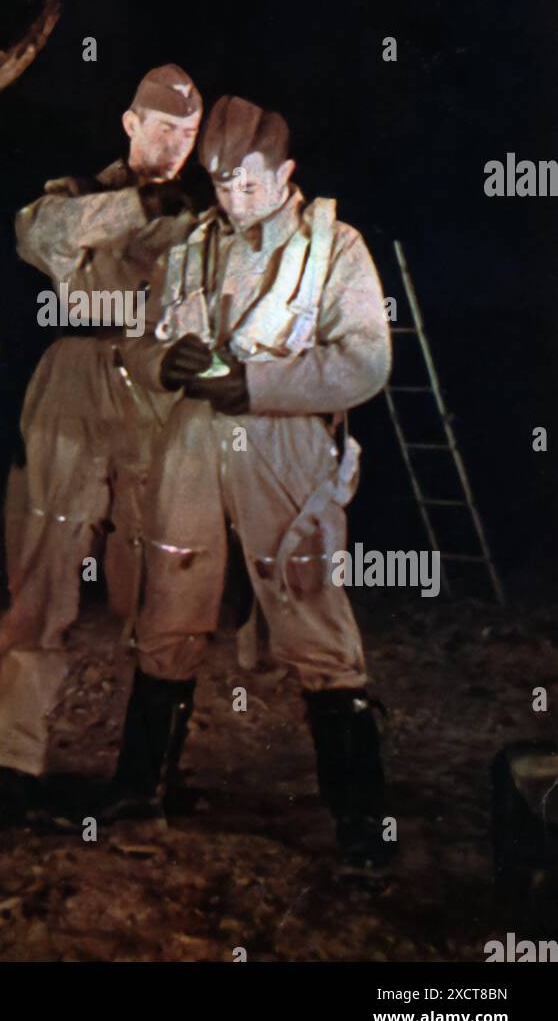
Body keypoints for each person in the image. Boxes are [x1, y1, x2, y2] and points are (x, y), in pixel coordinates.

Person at [104, 94, 394, 869]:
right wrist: (158, 364)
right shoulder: (195, 244)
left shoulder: (336, 248)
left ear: (287, 172)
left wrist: (259, 384)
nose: (236, 199)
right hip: (194, 446)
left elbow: (365, 362)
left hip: (286, 449)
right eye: (223, 184)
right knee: (170, 598)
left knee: (314, 614)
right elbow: (138, 339)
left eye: (252, 183)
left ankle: (361, 817)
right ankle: (143, 784)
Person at [0, 64, 204, 819]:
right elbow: (35, 236)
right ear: (130, 122)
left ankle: (146, 774)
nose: (175, 145)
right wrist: (136, 205)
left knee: (166, 578)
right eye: (163, 127)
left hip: (158, 390)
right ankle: (14, 764)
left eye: (188, 133)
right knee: (44, 570)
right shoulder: (78, 196)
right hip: (74, 375)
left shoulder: (201, 218)